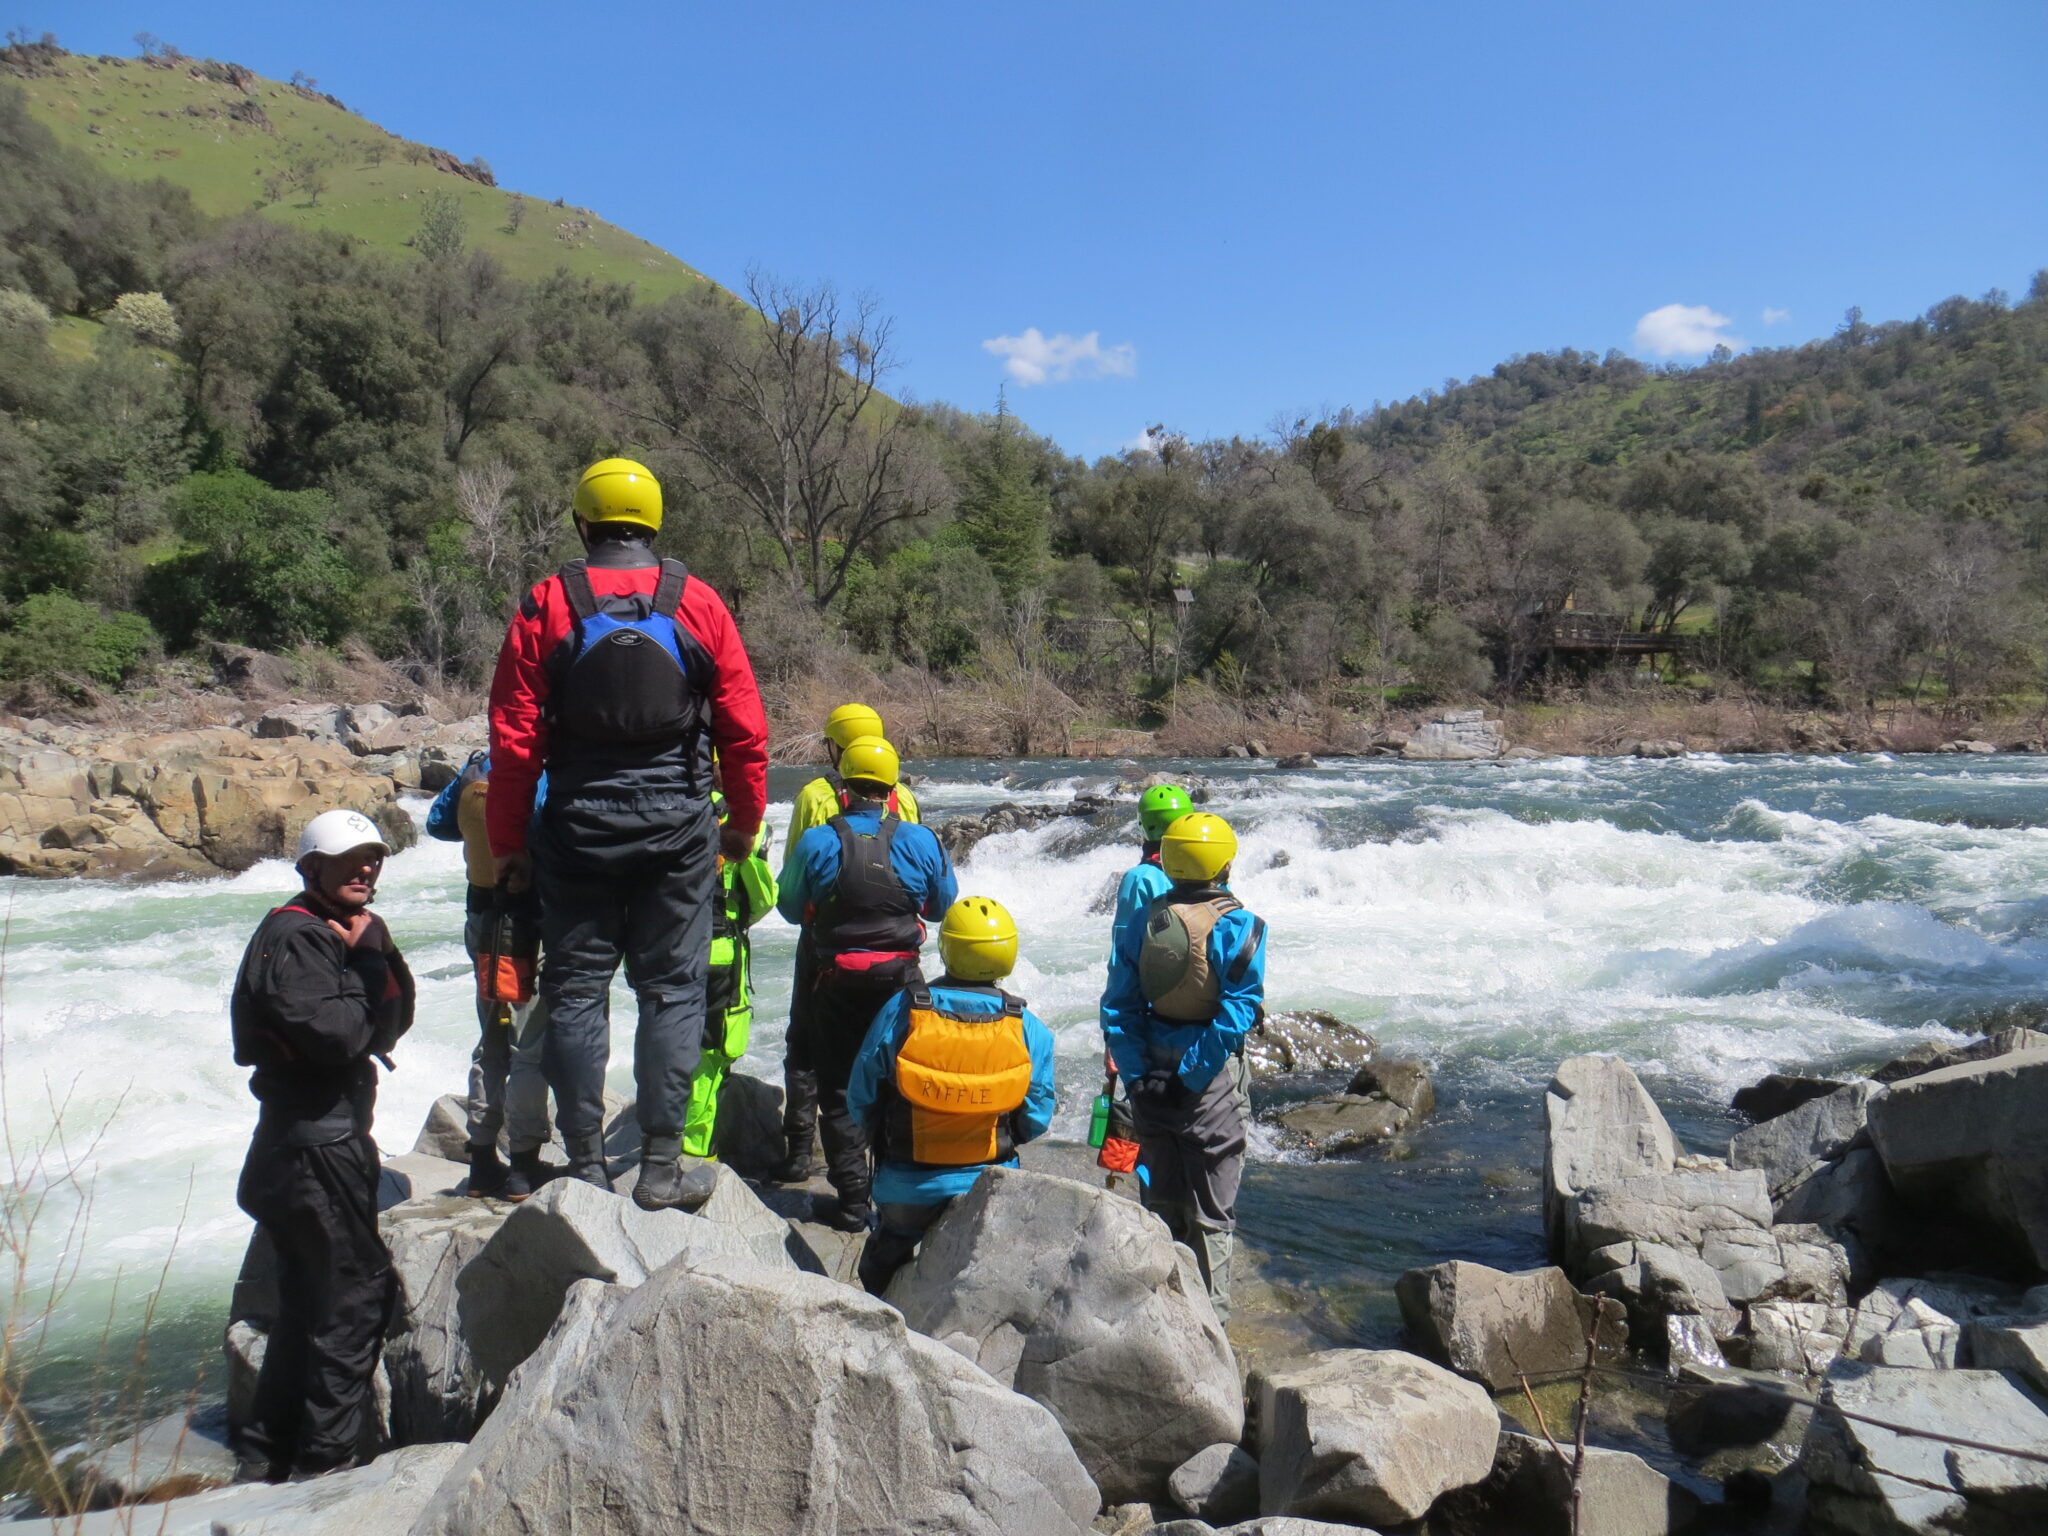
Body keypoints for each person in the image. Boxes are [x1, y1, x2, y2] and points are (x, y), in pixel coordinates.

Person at [486, 457, 769, 1211]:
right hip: (677, 831)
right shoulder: (698, 603)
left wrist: (509, 839)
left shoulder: (548, 604)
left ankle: (583, 1167)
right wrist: (741, 825)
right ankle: (661, 1170)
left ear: (584, 523)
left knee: (575, 992)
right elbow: (744, 731)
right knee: (672, 994)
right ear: (653, 525)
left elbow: (515, 737)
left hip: (575, 829)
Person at [228, 808, 413, 1482]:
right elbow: (338, 1034)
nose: (365, 869)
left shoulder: (340, 930)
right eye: (349, 859)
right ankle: (326, 1465)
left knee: (310, 1299)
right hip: (310, 1147)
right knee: (355, 1295)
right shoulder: (299, 939)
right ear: (312, 867)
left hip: (313, 1143)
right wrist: (368, 958)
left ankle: (268, 1450)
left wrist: (375, 950)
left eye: (373, 858)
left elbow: (392, 1019)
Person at [776, 735, 957, 1230]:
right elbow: (941, 908)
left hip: (832, 983)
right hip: (902, 984)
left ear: (844, 785)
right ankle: (899, 1194)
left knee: (836, 1091)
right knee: (901, 1085)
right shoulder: (921, 839)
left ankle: (853, 1202)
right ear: (892, 787)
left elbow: (790, 909)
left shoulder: (818, 841)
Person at [1098, 811, 1267, 1320]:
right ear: (1226, 865)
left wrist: (1138, 1077)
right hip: (1208, 1081)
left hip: (1148, 1075)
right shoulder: (1241, 926)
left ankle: (1161, 1317)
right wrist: (1188, 1079)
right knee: (1212, 1214)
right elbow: (1236, 1013)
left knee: (1161, 1203)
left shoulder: (1145, 922)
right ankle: (1210, 1329)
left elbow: (1118, 1008)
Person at [848, 895, 1056, 1295]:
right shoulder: (1028, 1027)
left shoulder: (902, 1010)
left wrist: (883, 1132)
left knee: (883, 1258)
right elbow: (1037, 1115)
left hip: (905, 1187)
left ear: (946, 949)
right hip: (988, 1184)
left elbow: (861, 1096)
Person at [776, 702, 921, 1182]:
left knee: (805, 1043)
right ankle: (892, 1161)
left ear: (839, 746)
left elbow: (796, 875)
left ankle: (800, 1152)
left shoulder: (817, 796)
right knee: (890, 1050)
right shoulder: (905, 799)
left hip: (826, 945)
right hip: (896, 951)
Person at [424, 753, 553, 1200]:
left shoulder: (477, 767)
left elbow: (438, 824)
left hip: (481, 917)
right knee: (528, 1047)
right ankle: (523, 1165)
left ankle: (482, 1160)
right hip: (528, 923)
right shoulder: (547, 771)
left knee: (491, 1038)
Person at [682, 781, 777, 1160]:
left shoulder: (658, 812)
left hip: (660, 950)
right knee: (712, 1051)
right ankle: (695, 1147)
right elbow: (763, 900)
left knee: (665, 1037)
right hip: (718, 952)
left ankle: (661, 1135)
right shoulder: (744, 825)